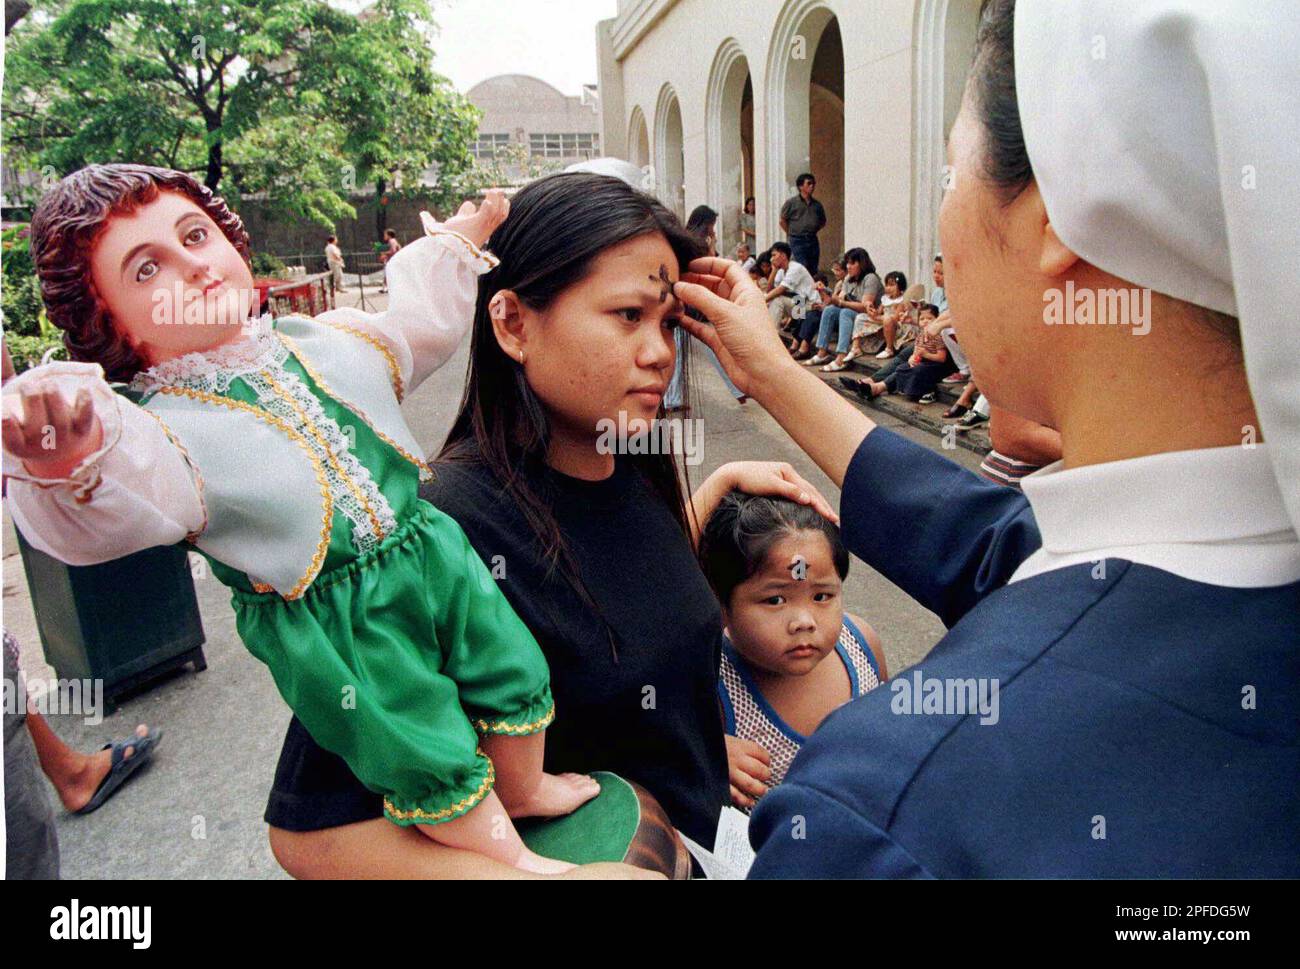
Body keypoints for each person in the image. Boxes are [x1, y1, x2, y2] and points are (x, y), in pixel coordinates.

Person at [670, 0, 1299, 877]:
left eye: (949, 175)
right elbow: (991, 540)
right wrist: (774, 372)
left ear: (1060, 220)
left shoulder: (887, 811)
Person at [2, 165, 602, 875]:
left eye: (195, 234)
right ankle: (501, 852)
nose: (192, 265)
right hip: (335, 617)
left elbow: (410, 330)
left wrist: (453, 248)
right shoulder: (159, 433)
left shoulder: (318, 336)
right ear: (106, 318)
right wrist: (71, 457)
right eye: (146, 269)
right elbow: (107, 510)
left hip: (432, 550)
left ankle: (522, 785)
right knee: (416, 733)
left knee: (509, 661)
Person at [261, 172, 838, 879]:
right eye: (627, 315)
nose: (659, 351)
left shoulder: (633, 460)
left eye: (665, 322)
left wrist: (710, 494)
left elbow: (604, 608)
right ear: (511, 323)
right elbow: (312, 833)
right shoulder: (432, 529)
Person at [699, 492, 885, 811]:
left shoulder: (861, 645)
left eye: (822, 596)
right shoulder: (713, 686)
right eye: (775, 600)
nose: (804, 621)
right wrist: (704, 757)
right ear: (720, 604)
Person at [668, 205, 745, 408]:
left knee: (683, 347)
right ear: (706, 224)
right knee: (710, 343)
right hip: (696, 299)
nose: (714, 229)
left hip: (685, 296)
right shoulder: (700, 243)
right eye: (712, 225)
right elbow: (713, 263)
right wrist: (713, 243)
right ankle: (736, 389)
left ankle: (673, 397)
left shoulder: (686, 239)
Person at [803, 248, 879, 372]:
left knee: (845, 312)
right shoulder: (849, 279)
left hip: (868, 315)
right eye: (847, 263)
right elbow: (837, 300)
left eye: (852, 263)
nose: (848, 267)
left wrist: (840, 302)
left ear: (862, 263)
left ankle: (841, 356)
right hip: (850, 312)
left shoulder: (870, 278)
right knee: (830, 310)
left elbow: (865, 306)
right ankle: (822, 352)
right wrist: (824, 292)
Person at [779, 173, 827, 274]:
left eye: (813, 183)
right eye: (809, 183)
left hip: (812, 239)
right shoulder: (791, 203)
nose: (812, 186)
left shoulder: (817, 205)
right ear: (801, 186)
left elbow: (822, 222)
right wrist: (791, 233)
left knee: (813, 267)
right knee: (801, 266)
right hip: (797, 240)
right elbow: (782, 220)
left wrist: (813, 228)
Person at [764, 241, 815, 330]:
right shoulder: (781, 271)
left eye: (774, 255)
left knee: (777, 300)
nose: (771, 259)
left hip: (810, 306)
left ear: (783, 256)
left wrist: (763, 300)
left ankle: (771, 336)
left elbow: (781, 289)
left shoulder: (795, 268)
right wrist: (774, 270)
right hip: (798, 304)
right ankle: (764, 333)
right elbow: (769, 290)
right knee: (769, 298)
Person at [378, 228, 400, 292]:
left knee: (388, 274)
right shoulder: (394, 240)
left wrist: (384, 253)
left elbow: (393, 251)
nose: (384, 236)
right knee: (388, 274)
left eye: (385, 235)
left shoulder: (391, 241)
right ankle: (385, 288)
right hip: (392, 260)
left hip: (391, 261)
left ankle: (387, 288)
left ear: (389, 235)